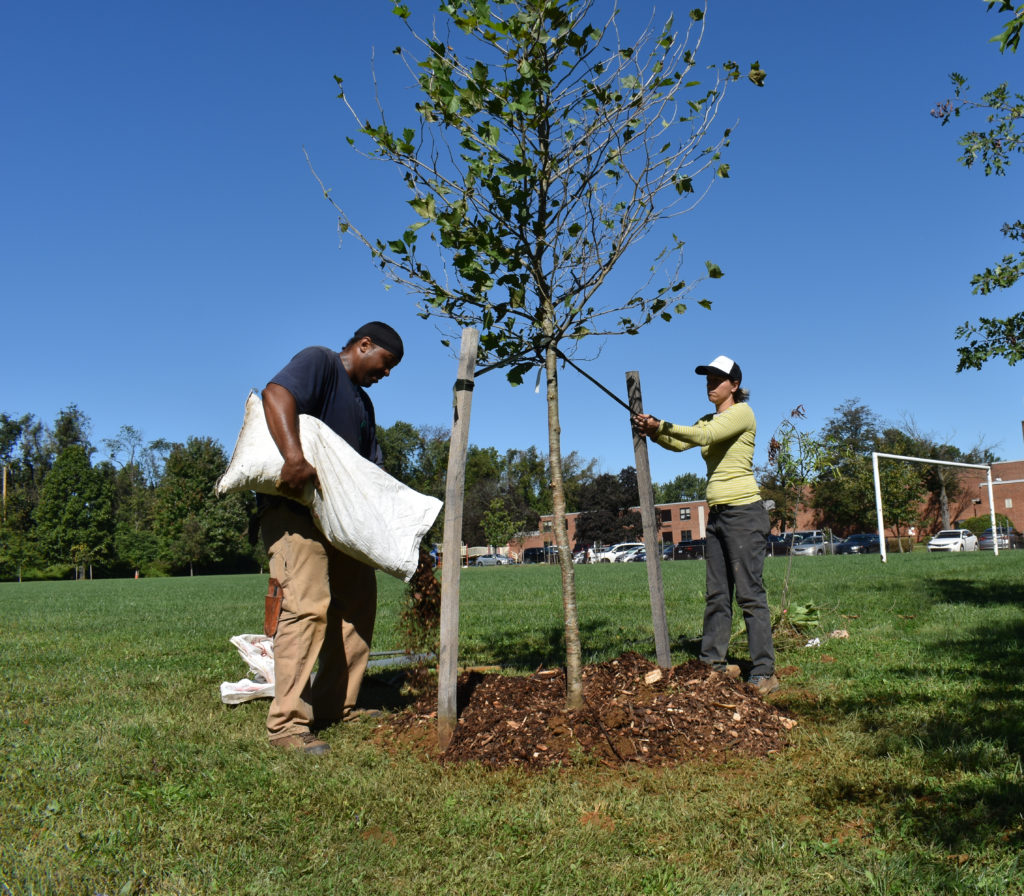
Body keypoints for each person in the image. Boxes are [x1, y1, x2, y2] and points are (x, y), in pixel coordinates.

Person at [259, 321, 404, 754]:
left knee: (358, 603)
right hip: (296, 510)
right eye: (386, 363)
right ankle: (286, 722)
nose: (387, 374)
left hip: (341, 522)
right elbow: (275, 394)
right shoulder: (320, 361)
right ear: (364, 345)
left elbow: (368, 470)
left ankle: (336, 704)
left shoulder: (364, 404)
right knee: (305, 605)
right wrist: (293, 457)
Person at [632, 355, 779, 696]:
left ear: (735, 385)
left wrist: (661, 423)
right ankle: (712, 664)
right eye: (707, 378)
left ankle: (764, 671)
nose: (711, 384)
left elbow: (704, 436)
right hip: (718, 515)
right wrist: (653, 431)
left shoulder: (743, 413)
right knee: (717, 594)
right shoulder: (706, 419)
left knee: (749, 594)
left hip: (744, 513)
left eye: (718, 378)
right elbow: (681, 442)